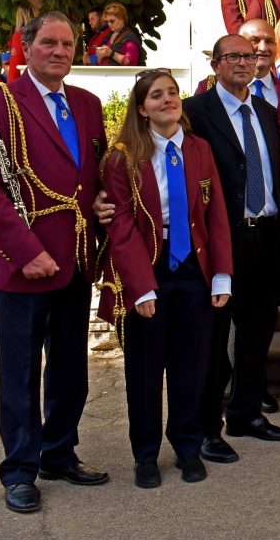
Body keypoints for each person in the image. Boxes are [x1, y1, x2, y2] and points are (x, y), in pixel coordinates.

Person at [0, 12, 110, 514]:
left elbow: (96, 172)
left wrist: (102, 204)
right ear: (26, 48)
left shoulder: (89, 105)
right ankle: (20, 469)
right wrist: (26, 252)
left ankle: (59, 452)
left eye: (68, 44)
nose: (59, 51)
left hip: (75, 257)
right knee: (22, 371)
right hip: (24, 261)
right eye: (48, 43)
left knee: (71, 366)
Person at [97, 70, 233, 487]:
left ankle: (188, 447)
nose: (168, 100)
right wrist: (140, 286)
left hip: (193, 269)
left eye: (173, 92)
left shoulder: (199, 149)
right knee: (145, 368)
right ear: (142, 108)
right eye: (156, 95)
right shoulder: (122, 157)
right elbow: (119, 226)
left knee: (190, 366)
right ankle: (144, 455)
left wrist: (222, 275)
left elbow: (216, 214)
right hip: (147, 269)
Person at [185, 35, 280, 463]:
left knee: (257, 331)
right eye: (233, 56)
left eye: (249, 56)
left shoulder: (266, 112)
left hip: (265, 234)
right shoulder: (196, 112)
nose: (244, 63)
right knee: (213, 339)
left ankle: (246, 413)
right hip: (221, 238)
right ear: (215, 65)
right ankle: (207, 428)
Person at [93, 2, 142, 67]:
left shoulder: (130, 37)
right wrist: (99, 56)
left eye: (112, 21)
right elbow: (99, 62)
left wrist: (111, 53)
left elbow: (132, 63)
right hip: (106, 75)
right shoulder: (108, 36)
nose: (109, 24)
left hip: (120, 76)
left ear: (122, 18)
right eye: (107, 21)